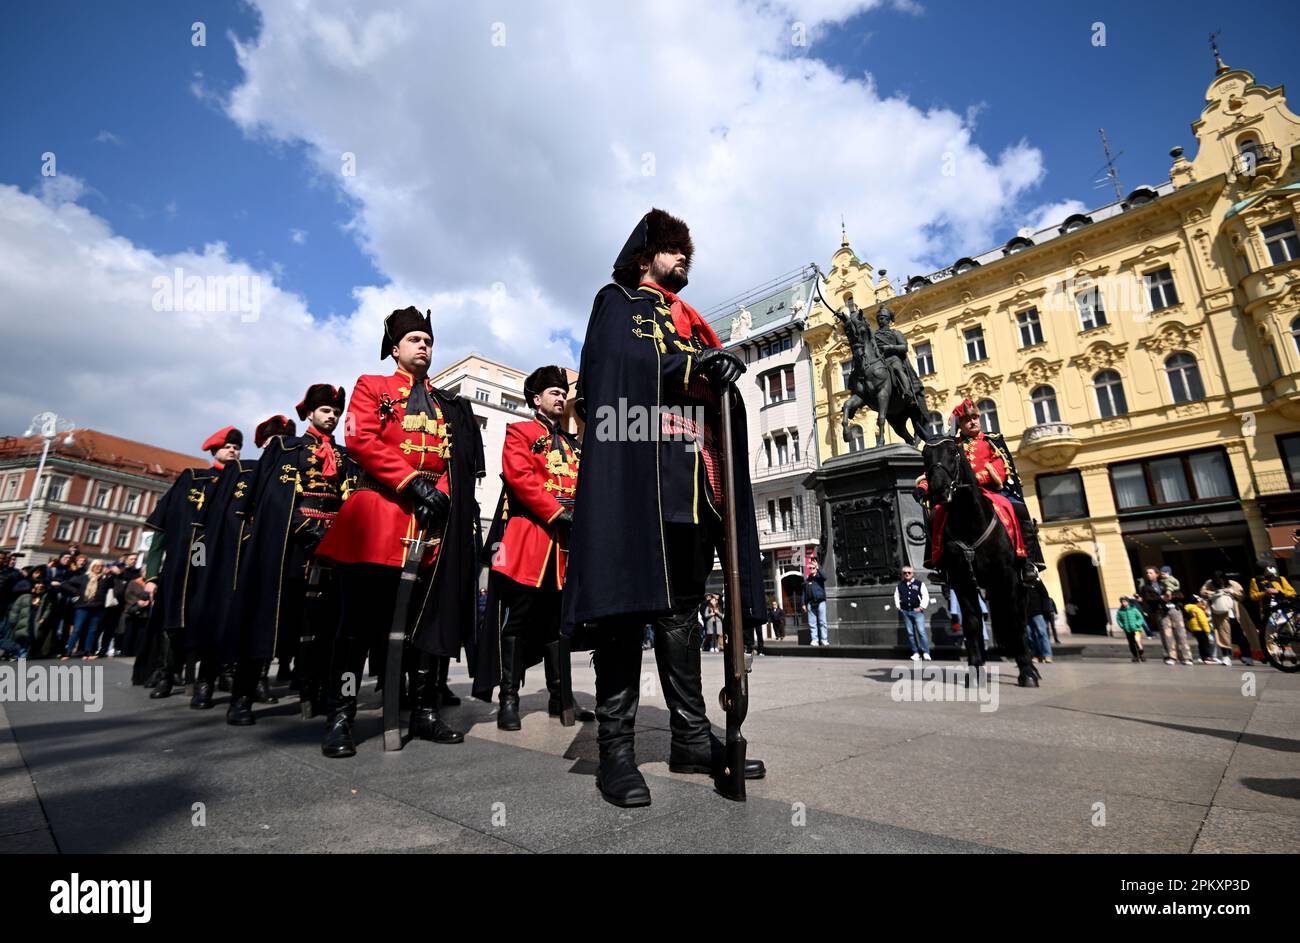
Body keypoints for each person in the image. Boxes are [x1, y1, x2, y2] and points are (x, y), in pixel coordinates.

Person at [562, 208, 766, 807]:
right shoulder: (616, 302)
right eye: (675, 251)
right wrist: (688, 365)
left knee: (679, 612)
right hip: (636, 475)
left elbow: (707, 389)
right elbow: (614, 371)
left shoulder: (688, 323)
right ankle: (616, 754)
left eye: (689, 255)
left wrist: (716, 371)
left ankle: (692, 738)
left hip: (689, 481)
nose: (685, 262)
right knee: (626, 611)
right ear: (647, 253)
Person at [314, 306, 485, 758]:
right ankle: (341, 715)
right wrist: (413, 483)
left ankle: (425, 711)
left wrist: (443, 494)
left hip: (430, 526)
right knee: (355, 627)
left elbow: (454, 459)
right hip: (377, 516)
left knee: (425, 624)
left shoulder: (446, 402)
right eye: (415, 340)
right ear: (395, 349)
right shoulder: (372, 386)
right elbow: (361, 439)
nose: (424, 345)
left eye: (428, 339)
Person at [472, 365, 594, 728]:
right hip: (531, 536)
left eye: (562, 392)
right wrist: (557, 512)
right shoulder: (519, 432)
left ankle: (560, 696)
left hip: (567, 545)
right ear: (536, 399)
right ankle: (509, 697)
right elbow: (520, 477)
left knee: (561, 623)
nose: (560, 397)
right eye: (553, 393)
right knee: (519, 620)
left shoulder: (574, 445)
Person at [226, 399, 356, 725]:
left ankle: (317, 690)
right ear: (310, 414)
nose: (332, 416)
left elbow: (348, 496)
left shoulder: (343, 455)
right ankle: (242, 696)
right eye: (326, 410)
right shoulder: (287, 447)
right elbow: (272, 496)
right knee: (267, 617)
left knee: (323, 622)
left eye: (336, 412)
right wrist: (302, 525)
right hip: (289, 543)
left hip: (332, 543)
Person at [141, 427, 241, 699]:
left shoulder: (241, 484)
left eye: (236, 446)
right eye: (228, 446)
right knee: (177, 617)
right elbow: (162, 529)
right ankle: (167, 672)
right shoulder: (193, 478)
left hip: (221, 562)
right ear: (214, 450)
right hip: (185, 561)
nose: (233, 450)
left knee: (215, 618)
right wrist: (151, 575)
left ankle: (218, 671)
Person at [1136, 566, 1193, 666]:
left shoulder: (1167, 582)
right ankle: (1171, 657)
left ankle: (1186, 657)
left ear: (1157, 574)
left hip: (1174, 609)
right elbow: (1148, 600)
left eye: (1150, 573)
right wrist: (1162, 598)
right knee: (1166, 635)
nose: (1148, 575)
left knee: (1181, 633)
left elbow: (1180, 594)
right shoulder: (1145, 588)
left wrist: (1172, 596)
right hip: (1161, 611)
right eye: (1147, 573)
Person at [1199, 571, 1248, 666]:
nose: (1219, 581)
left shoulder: (1232, 584)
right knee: (1222, 635)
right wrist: (1215, 592)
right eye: (1217, 579)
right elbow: (1202, 592)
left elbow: (1242, 595)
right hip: (1220, 614)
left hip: (1234, 612)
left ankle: (1246, 655)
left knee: (1240, 635)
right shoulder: (1209, 583)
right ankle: (1226, 657)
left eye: (1221, 579)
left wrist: (1231, 591)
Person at [1250, 561, 1296, 656]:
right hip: (1268, 611)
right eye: (1268, 568)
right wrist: (1264, 593)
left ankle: (1292, 651)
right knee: (1270, 635)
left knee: (1291, 631)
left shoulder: (1280, 579)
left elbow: (1292, 592)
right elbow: (1253, 596)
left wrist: (1279, 592)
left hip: (1284, 610)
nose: (1270, 569)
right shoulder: (1255, 581)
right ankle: (1274, 655)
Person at [63, 561, 108, 659]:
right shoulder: (83, 577)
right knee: (77, 629)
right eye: (96, 566)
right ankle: (68, 652)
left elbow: (112, 586)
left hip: (97, 608)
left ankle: (87, 652)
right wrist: (76, 592)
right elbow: (65, 584)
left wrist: (109, 574)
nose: (98, 568)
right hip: (82, 607)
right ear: (91, 567)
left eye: (101, 566)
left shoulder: (104, 579)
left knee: (92, 631)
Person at [893, 565, 931, 661]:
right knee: (910, 633)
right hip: (906, 612)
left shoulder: (919, 584)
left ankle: (926, 652)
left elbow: (925, 596)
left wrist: (921, 607)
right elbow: (896, 596)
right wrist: (899, 607)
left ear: (912, 573)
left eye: (909, 572)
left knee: (921, 631)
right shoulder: (900, 585)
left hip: (917, 612)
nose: (907, 574)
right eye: (905, 573)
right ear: (902, 574)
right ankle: (916, 653)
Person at [1024, 580, 1054, 664]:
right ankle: (1036, 655)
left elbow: (1045, 595)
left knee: (1042, 633)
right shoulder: (1020, 583)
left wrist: (1045, 610)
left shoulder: (1037, 581)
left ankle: (1047, 655)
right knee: (1029, 635)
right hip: (1025, 613)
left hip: (1038, 612)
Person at [1184, 595, 1219, 664]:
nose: (1201, 603)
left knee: (1201, 644)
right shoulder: (1197, 609)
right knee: (1205, 644)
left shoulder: (1190, 609)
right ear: (1196, 602)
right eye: (1200, 601)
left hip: (1195, 629)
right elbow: (1203, 621)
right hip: (1201, 629)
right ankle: (1207, 658)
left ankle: (1204, 657)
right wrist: (1207, 630)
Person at [1115, 596, 1147, 662]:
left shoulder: (1133, 609)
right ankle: (1135, 656)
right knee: (1131, 643)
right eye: (1122, 602)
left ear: (1128, 602)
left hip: (1136, 629)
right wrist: (1122, 626)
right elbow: (1118, 620)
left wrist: (1137, 624)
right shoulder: (1120, 611)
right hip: (1128, 630)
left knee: (1138, 642)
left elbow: (1140, 617)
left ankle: (1141, 655)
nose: (1124, 603)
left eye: (1125, 601)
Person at [806, 558, 828, 646]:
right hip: (810, 602)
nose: (811, 570)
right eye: (810, 568)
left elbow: (825, 577)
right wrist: (804, 603)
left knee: (822, 622)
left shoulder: (819, 578)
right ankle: (814, 639)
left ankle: (824, 639)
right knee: (812, 623)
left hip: (820, 601)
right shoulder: (808, 580)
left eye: (813, 568)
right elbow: (804, 592)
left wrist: (818, 567)